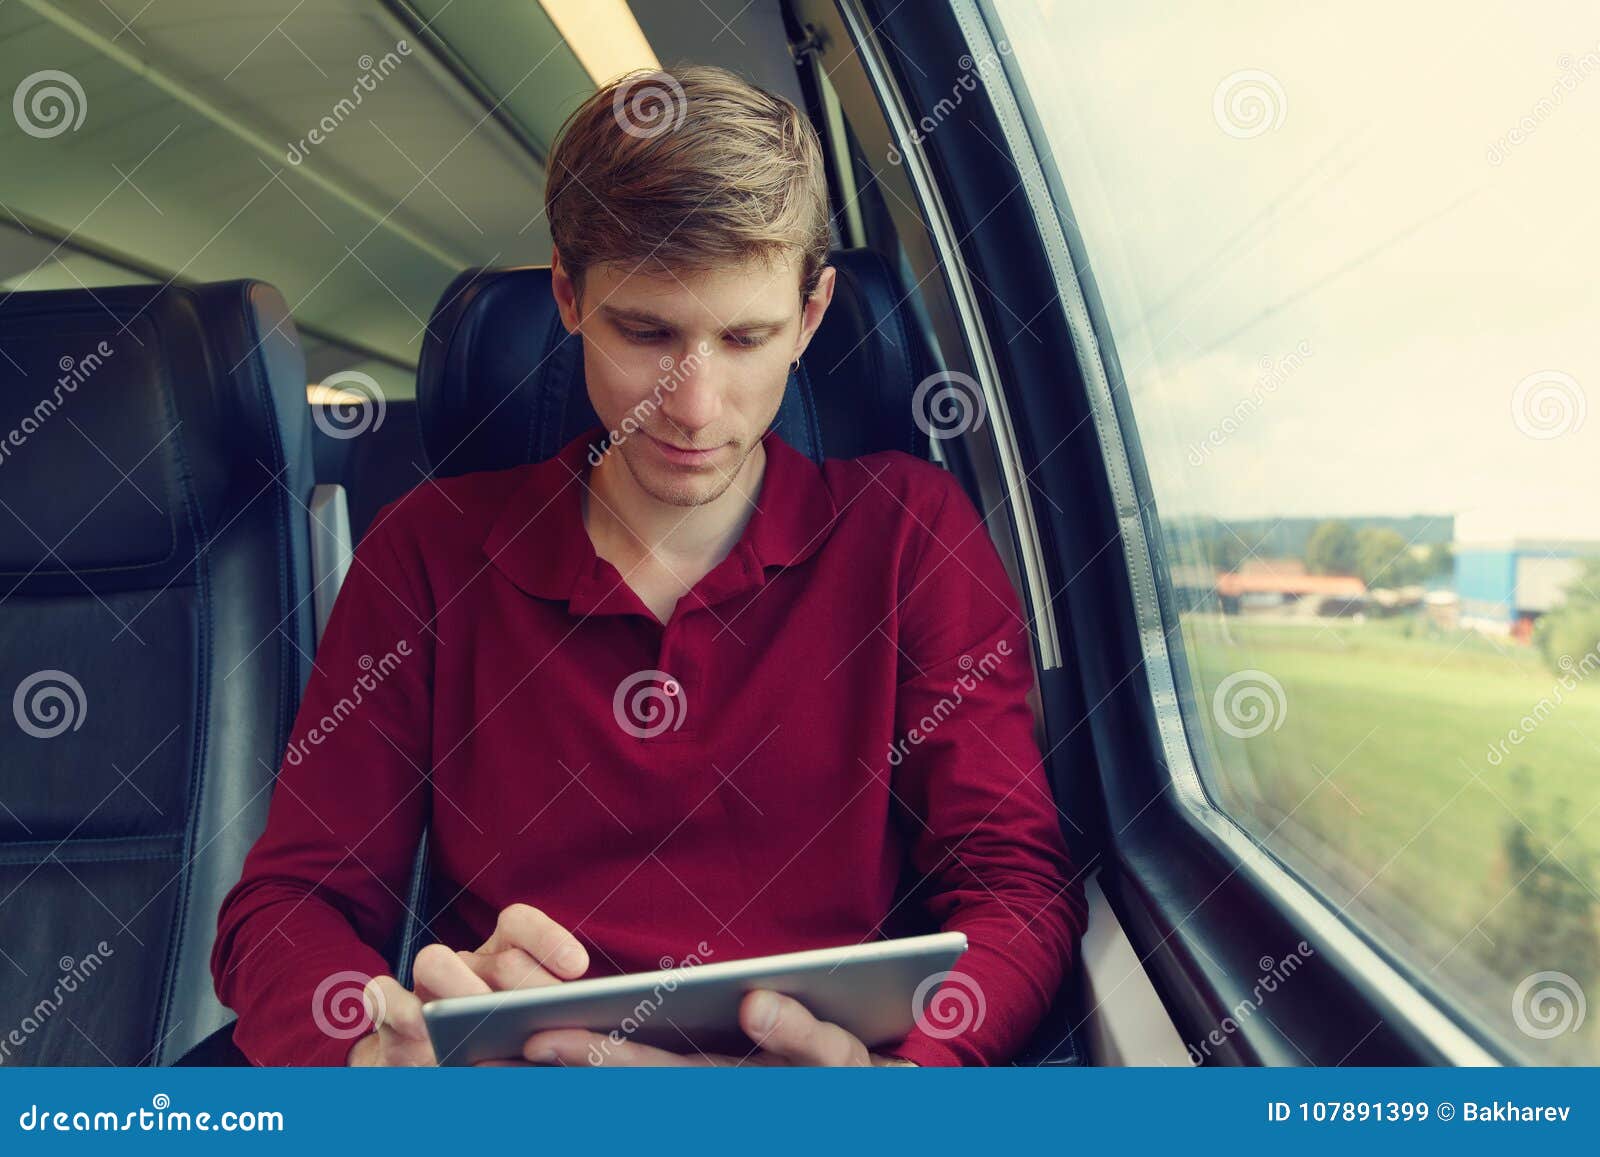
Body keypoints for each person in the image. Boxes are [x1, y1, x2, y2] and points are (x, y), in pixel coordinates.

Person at [210, 63, 1085, 1068]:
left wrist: (911, 1082)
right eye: (645, 331)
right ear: (568, 296)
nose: (694, 406)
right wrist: (369, 1055)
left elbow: (1014, 880)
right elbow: (287, 905)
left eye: (746, 337)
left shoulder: (909, 533)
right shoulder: (428, 548)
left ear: (809, 318)